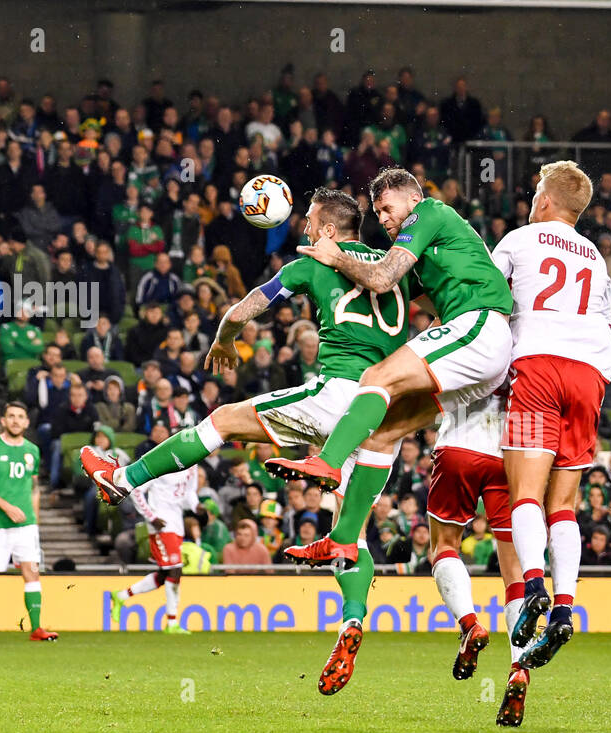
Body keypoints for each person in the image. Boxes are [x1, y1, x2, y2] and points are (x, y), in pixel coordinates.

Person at [82, 188, 409, 686]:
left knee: (222, 421)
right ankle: (353, 618)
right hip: (386, 412)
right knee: (350, 532)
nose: (302, 230)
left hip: (337, 394)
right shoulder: (392, 266)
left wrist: (224, 340)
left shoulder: (309, 264)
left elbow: (240, 310)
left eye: (309, 222)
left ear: (326, 231)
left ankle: (122, 480)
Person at [271, 166, 515, 585]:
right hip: (480, 354)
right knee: (383, 432)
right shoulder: (426, 250)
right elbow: (399, 291)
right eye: (378, 212)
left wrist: (337, 257)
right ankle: (343, 537)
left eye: (387, 208)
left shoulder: (428, 214)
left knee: (376, 378)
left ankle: (327, 462)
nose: (383, 219)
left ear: (411, 199)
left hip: (479, 327)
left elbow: (383, 278)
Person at [473, 160, 611, 670]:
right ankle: (563, 608)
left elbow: (485, 301)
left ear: (546, 201)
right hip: (590, 374)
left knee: (525, 494)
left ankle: (533, 583)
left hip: (538, 365)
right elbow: (604, 319)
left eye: (537, 191)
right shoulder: (596, 258)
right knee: (565, 505)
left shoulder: (520, 239)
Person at [423, 390, 532, 725]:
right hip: (514, 452)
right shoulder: (529, 347)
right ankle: (519, 667)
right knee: (515, 572)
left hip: (459, 444)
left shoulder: (468, 336)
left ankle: (469, 625)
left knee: (444, 545)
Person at [0, 402, 58, 642]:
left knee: (32, 573)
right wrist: (7, 508)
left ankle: (37, 628)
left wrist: (34, 520)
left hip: (26, 526)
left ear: (27, 422)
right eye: (11, 416)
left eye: (20, 416)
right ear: (3, 421)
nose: (16, 420)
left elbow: (35, 487)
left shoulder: (32, 450)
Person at [110, 463, 199, 633]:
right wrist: (151, 517)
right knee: (175, 570)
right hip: (161, 525)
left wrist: (197, 507)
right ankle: (172, 623)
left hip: (177, 524)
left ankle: (121, 596)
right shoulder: (161, 463)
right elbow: (136, 490)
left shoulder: (192, 465)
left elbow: (188, 494)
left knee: (166, 573)